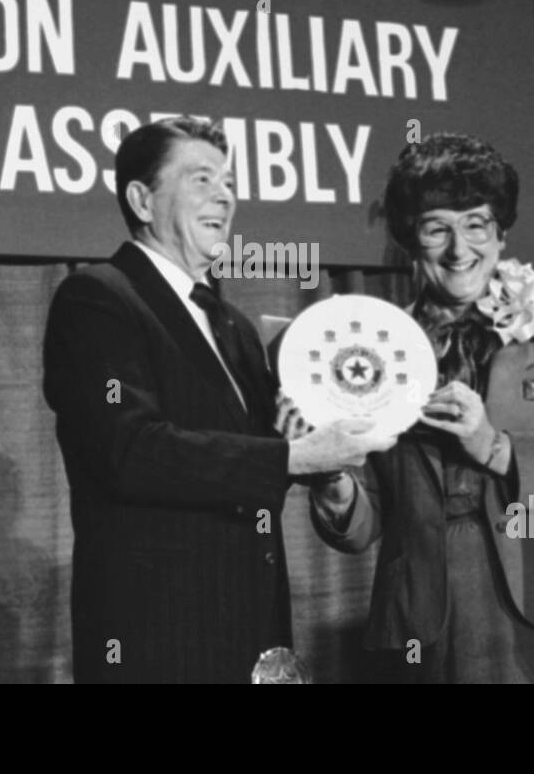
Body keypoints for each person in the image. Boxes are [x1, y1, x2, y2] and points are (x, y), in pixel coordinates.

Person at [42, 115, 392, 684]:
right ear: (142, 199)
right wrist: (293, 458)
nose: (225, 195)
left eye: (229, 181)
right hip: (159, 642)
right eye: (201, 179)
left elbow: (257, 463)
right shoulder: (98, 299)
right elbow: (128, 449)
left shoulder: (234, 327)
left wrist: (323, 470)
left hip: (254, 639)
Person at [303, 133, 534, 683]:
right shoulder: (377, 347)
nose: (459, 249)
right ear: (410, 239)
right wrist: (331, 484)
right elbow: (366, 522)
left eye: (475, 225)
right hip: (430, 629)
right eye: (437, 228)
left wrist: (495, 448)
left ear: (500, 231)